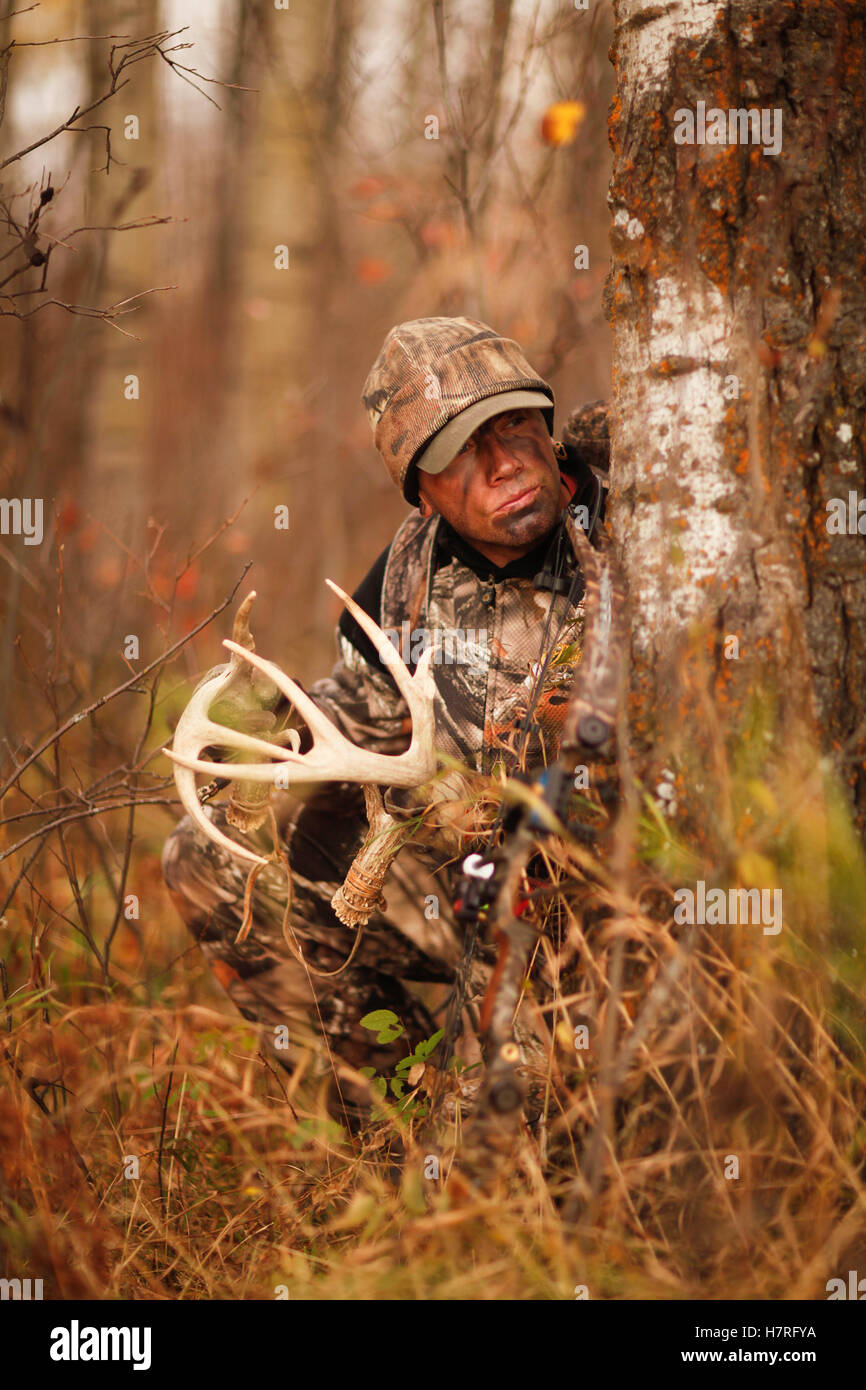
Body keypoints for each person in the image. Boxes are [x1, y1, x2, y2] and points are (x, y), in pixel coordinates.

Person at [161, 316, 609, 1117]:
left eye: (515, 425)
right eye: (463, 451)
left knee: (537, 1138)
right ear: (423, 489)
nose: (504, 462)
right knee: (208, 863)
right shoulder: (405, 580)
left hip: (634, 890)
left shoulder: (639, 512)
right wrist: (278, 727)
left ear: (546, 422)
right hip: (482, 890)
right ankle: (400, 1119)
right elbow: (370, 708)